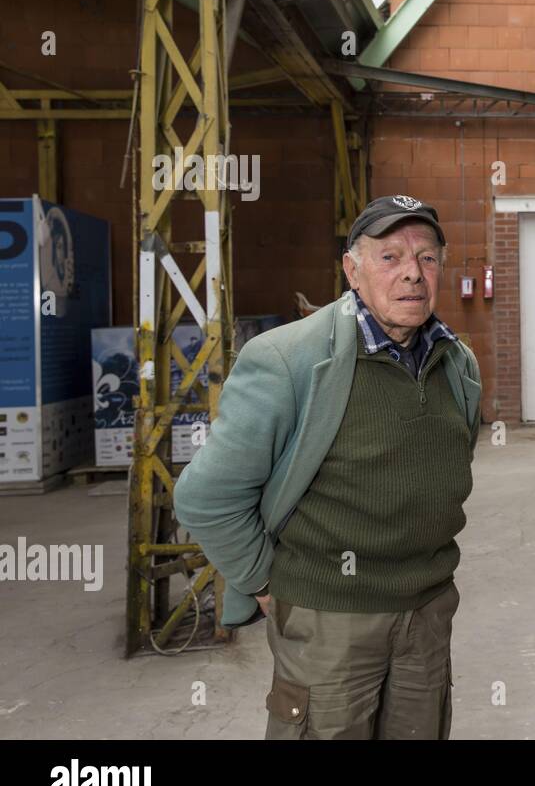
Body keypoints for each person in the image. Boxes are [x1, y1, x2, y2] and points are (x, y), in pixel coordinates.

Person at [174, 195, 481, 739]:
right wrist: (263, 579)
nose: (412, 272)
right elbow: (206, 496)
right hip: (329, 618)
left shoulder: (457, 363)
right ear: (352, 270)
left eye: (427, 258)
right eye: (389, 257)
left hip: (428, 614)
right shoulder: (288, 360)